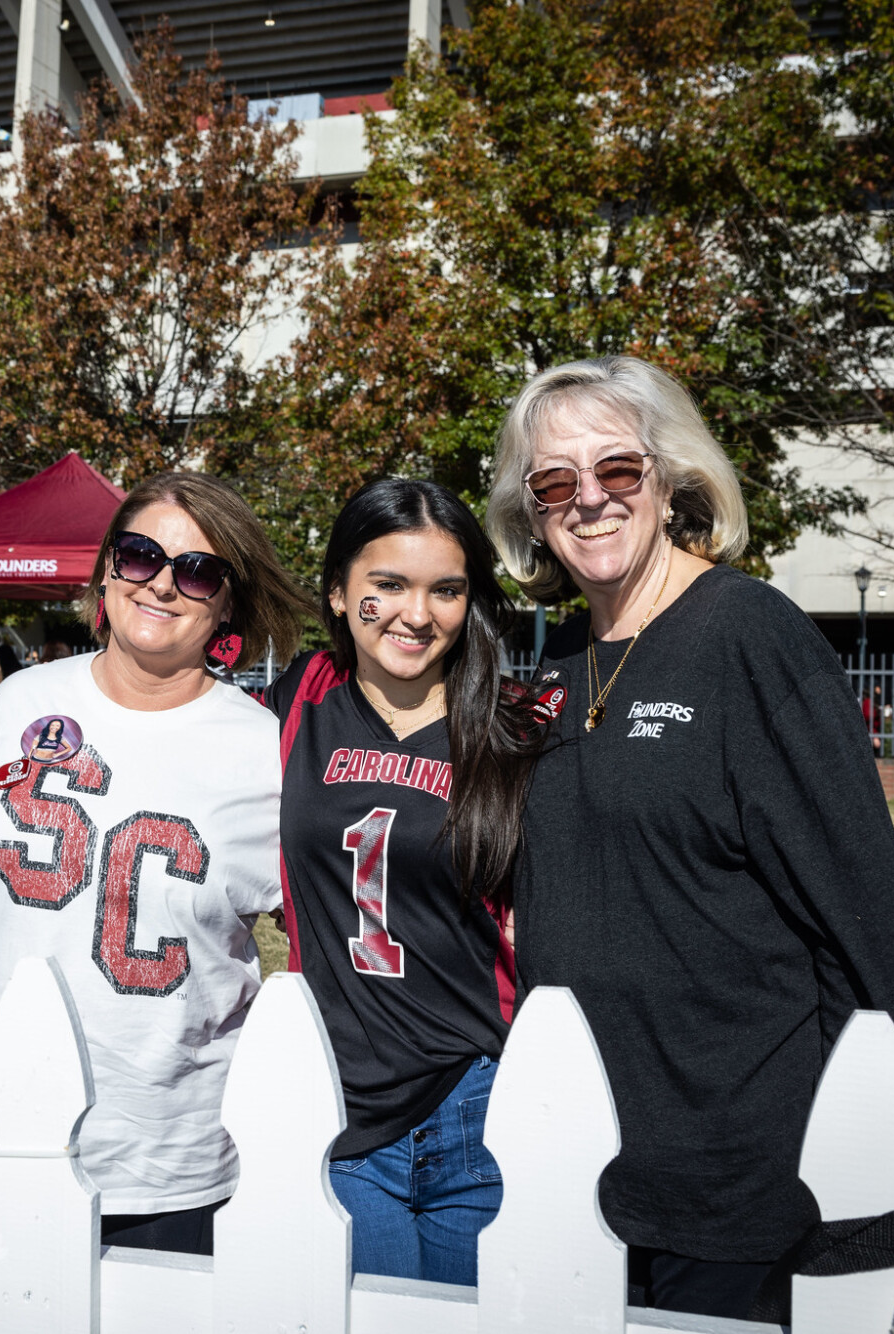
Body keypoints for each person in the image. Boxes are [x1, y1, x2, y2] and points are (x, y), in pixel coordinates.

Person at [484, 356, 894, 1321]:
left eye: (617, 471)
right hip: (589, 1163)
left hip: (746, 1167)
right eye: (555, 483)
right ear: (530, 511)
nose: (589, 502)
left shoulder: (753, 637)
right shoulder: (559, 658)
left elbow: (864, 905)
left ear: (669, 480)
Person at [0, 472, 308, 1255]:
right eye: (141, 555)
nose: (163, 585)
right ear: (107, 570)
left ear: (227, 605)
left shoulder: (266, 751)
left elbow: (325, 931)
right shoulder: (15, 702)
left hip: (173, 1153)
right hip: (12, 1127)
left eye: (199, 571)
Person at [268, 477, 547, 1285]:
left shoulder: (517, 727)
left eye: (446, 590)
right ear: (338, 591)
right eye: (386, 585)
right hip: (342, 1104)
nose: (416, 614)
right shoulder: (298, 702)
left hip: (477, 1100)